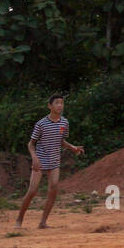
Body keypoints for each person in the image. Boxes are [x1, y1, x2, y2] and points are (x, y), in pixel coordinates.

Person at [15, 94, 84, 229]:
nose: (60, 105)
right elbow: (31, 144)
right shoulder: (41, 124)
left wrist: (73, 148)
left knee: (53, 189)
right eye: (57, 103)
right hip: (40, 161)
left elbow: (61, 140)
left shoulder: (64, 123)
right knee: (32, 191)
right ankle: (19, 220)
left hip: (54, 161)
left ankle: (43, 222)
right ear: (49, 106)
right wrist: (34, 158)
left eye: (62, 103)